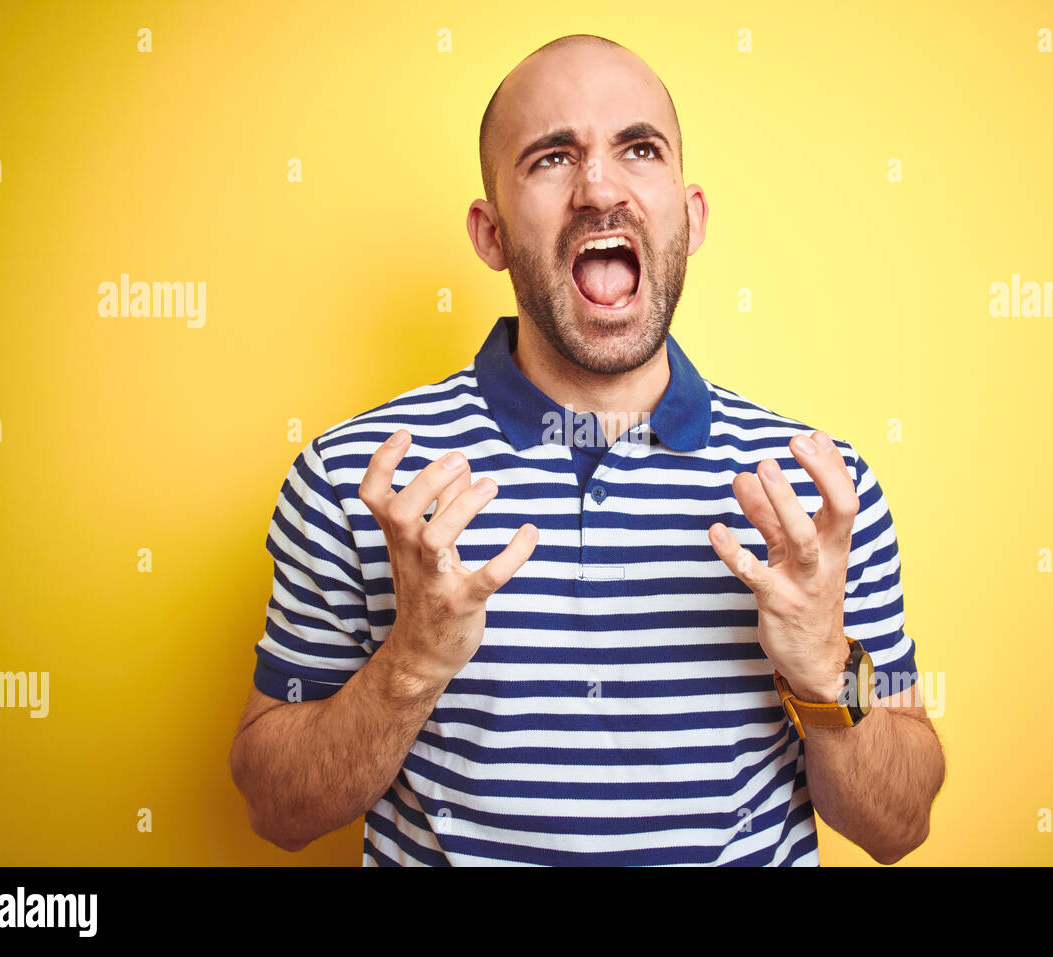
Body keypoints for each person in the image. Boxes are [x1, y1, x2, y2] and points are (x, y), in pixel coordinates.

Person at [228, 33, 945, 866]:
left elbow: (902, 822)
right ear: (490, 233)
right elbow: (275, 808)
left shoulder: (821, 492)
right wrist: (411, 663)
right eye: (551, 157)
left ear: (692, 214)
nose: (599, 187)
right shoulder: (358, 481)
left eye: (639, 149)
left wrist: (827, 670)